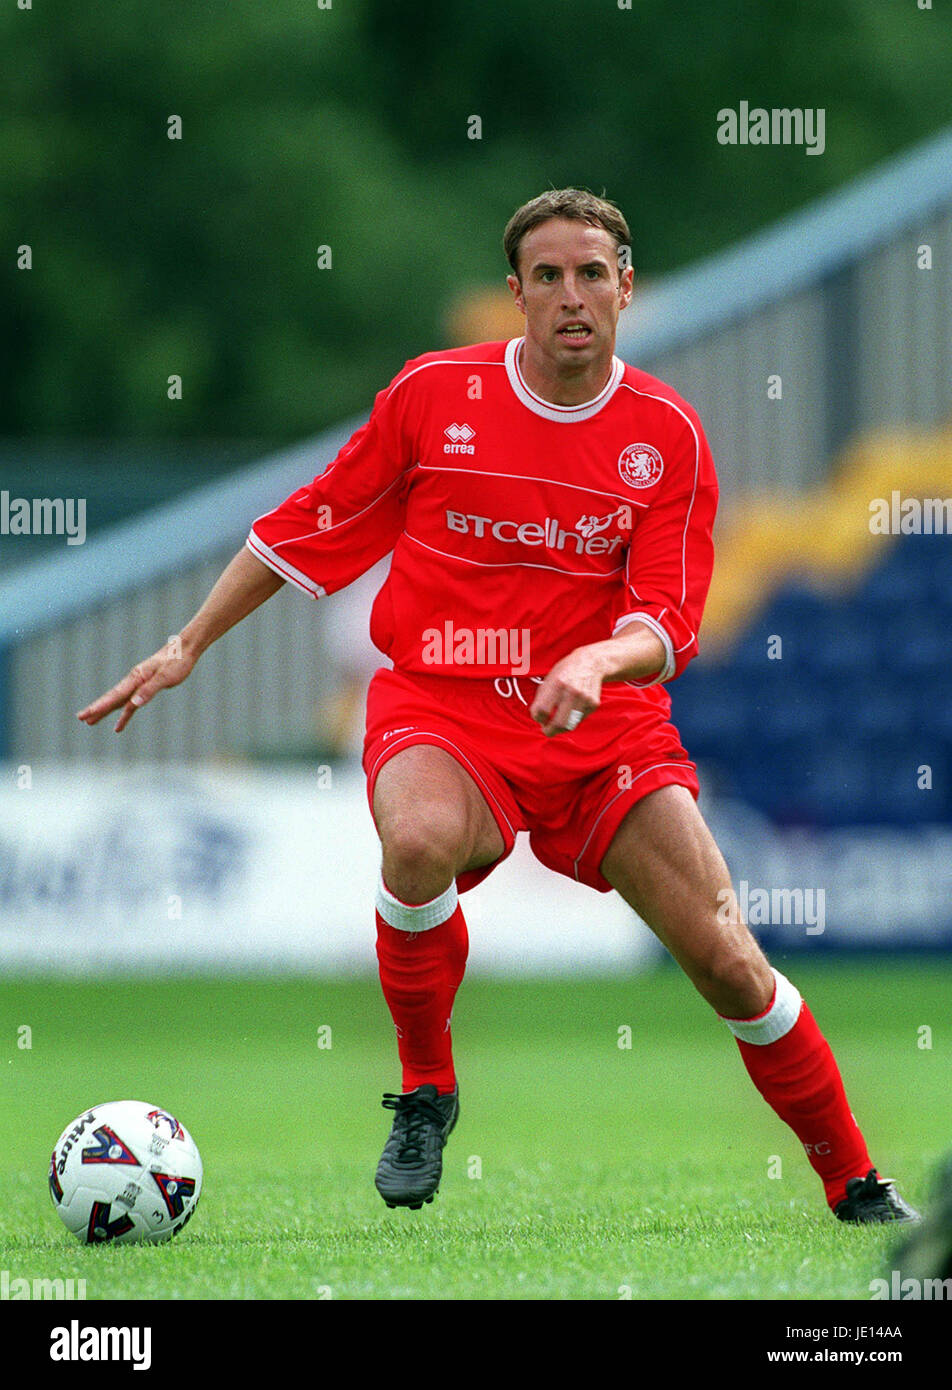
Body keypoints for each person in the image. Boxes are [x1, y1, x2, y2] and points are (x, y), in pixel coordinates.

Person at [78, 188, 916, 1225]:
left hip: (598, 724)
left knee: (728, 961)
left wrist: (597, 662)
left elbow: (670, 621)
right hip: (443, 699)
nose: (573, 295)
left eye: (593, 274)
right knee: (419, 839)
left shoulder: (668, 437)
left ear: (625, 288)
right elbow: (306, 524)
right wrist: (186, 642)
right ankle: (426, 1088)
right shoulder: (433, 396)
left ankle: (853, 1180)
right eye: (550, 277)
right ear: (516, 294)